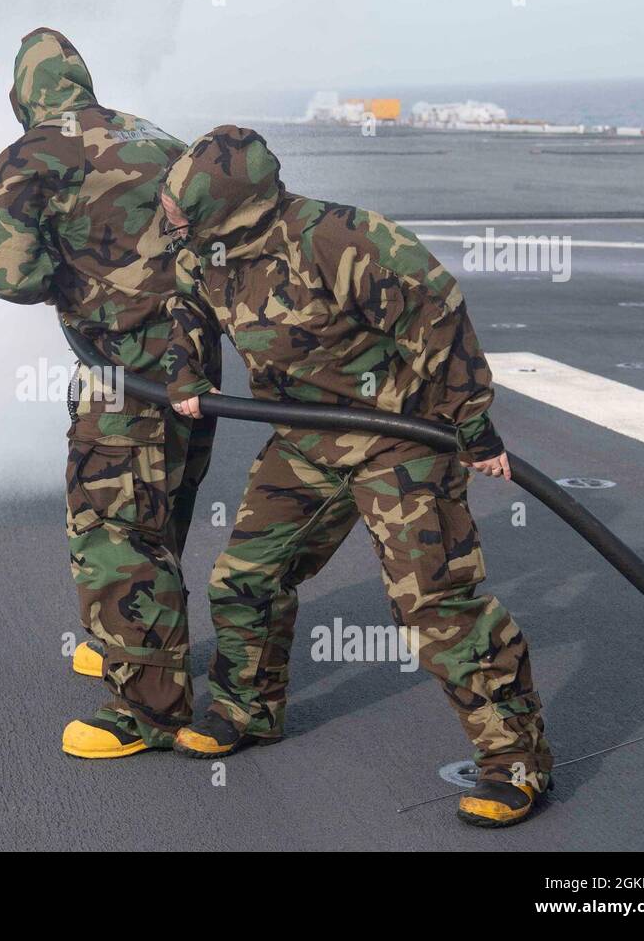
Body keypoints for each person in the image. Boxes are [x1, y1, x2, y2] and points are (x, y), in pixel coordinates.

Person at [159, 125, 553, 827]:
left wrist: (471, 422)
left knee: (434, 605)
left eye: (183, 214)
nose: (172, 223)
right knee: (244, 578)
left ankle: (515, 764)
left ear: (230, 207)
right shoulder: (203, 255)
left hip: (399, 443)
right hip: (304, 442)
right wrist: (187, 372)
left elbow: (438, 314)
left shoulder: (342, 240)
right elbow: (187, 311)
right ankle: (248, 709)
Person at [0, 28, 220, 758]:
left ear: (24, 95)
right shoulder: (153, 133)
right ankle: (138, 646)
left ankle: (148, 708)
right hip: (195, 364)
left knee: (111, 526)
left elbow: (13, 276)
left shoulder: (36, 151)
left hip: (125, 371)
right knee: (161, 506)